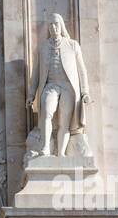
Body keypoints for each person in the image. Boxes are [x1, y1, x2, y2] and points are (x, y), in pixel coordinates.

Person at [30, 14, 91, 157]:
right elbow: (36, 73)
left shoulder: (72, 45)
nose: (53, 27)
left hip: (68, 87)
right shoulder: (43, 47)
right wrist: (31, 94)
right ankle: (45, 147)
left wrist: (85, 92)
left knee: (65, 121)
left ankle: (61, 153)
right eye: (50, 24)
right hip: (50, 85)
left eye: (56, 24)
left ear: (61, 25)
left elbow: (82, 71)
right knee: (46, 111)